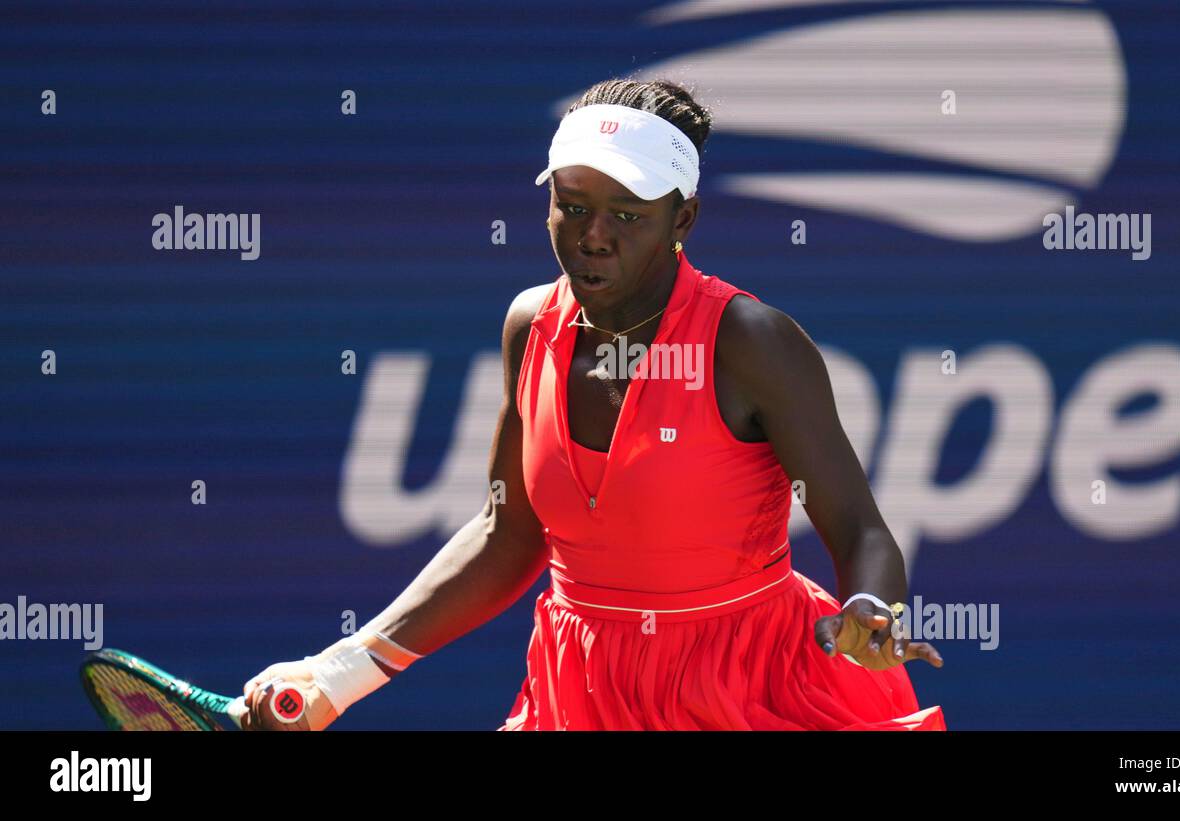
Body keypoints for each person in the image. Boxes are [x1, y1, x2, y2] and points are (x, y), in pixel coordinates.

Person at [241, 78, 945, 731]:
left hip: (752, 688)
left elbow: (860, 528)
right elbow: (508, 532)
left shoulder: (752, 341)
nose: (592, 236)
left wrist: (869, 610)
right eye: (572, 206)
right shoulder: (530, 325)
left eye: (626, 215)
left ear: (684, 216)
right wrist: (336, 677)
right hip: (578, 692)